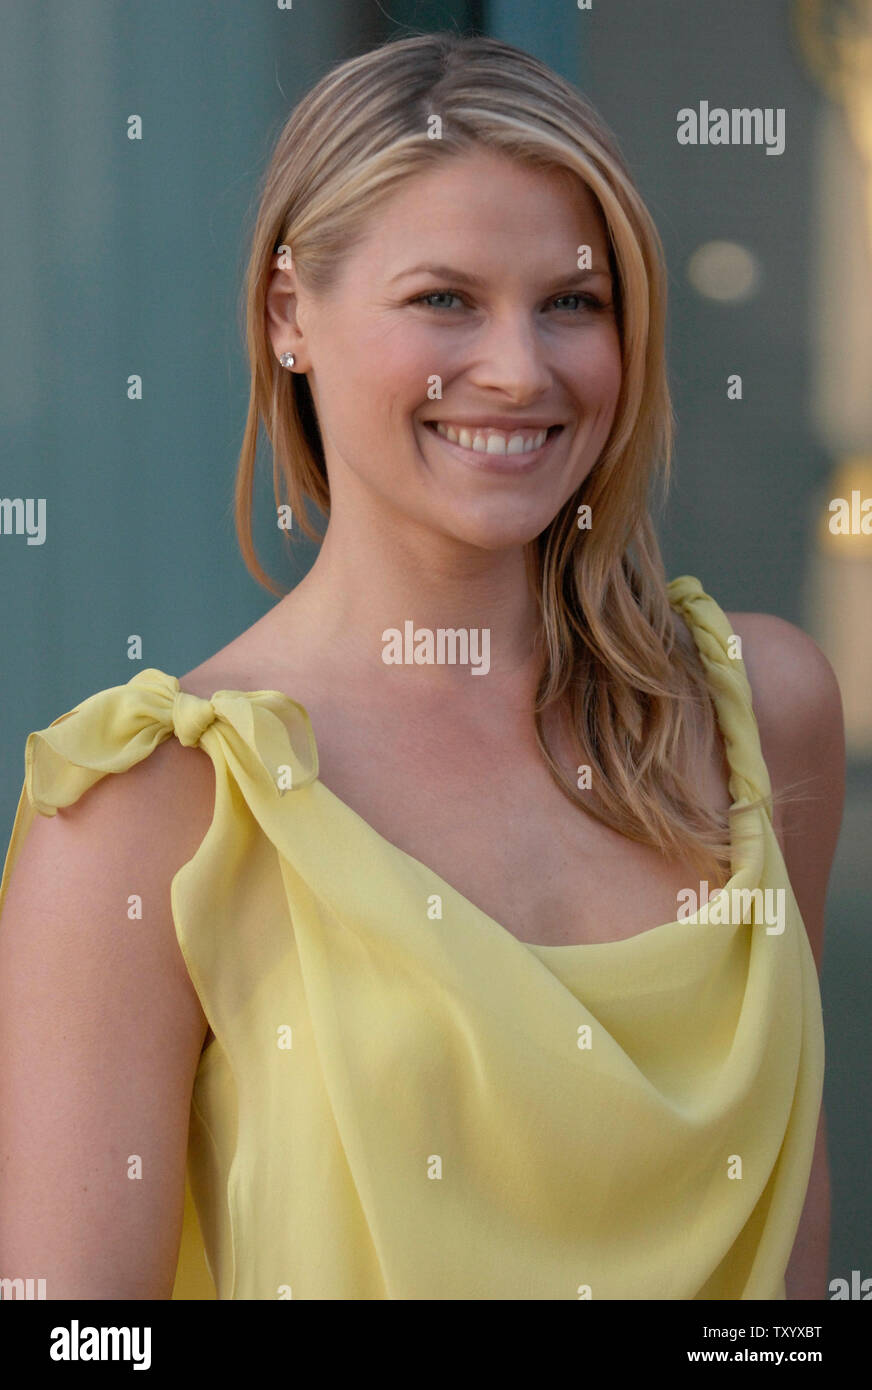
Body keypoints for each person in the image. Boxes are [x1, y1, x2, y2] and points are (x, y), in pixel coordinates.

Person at [0, 32, 843, 1301]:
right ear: (291, 314)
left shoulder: (759, 713)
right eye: (443, 298)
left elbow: (786, 1278)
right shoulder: (151, 808)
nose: (518, 367)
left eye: (572, 301)